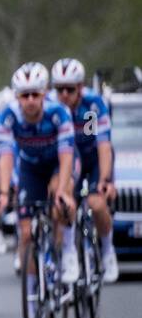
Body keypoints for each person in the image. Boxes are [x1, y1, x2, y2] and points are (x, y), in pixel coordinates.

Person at [0, 63, 77, 294]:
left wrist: (62, 190)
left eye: (35, 94)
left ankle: (68, 251)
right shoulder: (8, 116)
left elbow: (67, 155)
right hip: (30, 168)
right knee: (26, 233)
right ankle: (32, 306)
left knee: (59, 203)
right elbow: (6, 155)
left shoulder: (58, 113)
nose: (30, 100)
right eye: (24, 95)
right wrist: (3, 192)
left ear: (44, 93)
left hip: (57, 165)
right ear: (17, 96)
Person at [50, 58, 118, 283]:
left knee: (97, 204)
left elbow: (103, 145)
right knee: (64, 202)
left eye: (70, 89)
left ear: (80, 87)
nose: (64, 94)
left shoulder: (92, 105)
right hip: (69, 160)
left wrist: (106, 179)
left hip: (94, 158)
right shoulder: (51, 107)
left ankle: (108, 251)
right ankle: (67, 252)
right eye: (59, 89)